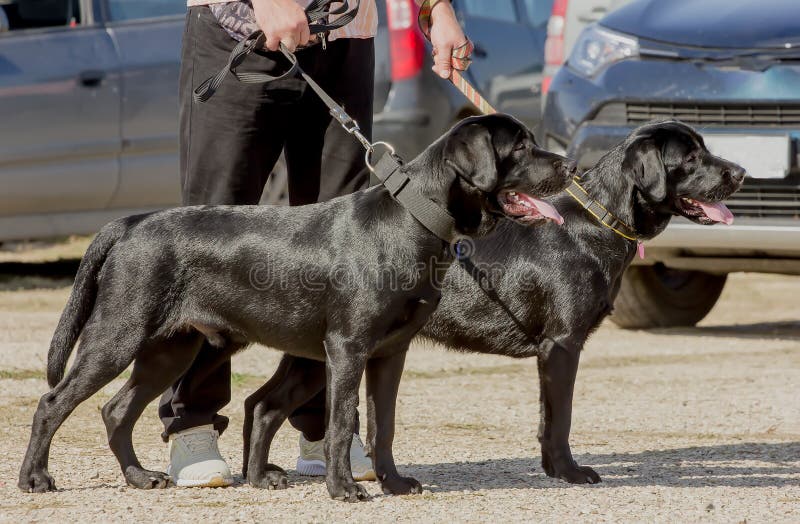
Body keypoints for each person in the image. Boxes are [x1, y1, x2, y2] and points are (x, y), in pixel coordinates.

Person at [162, 0, 469, 487]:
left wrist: (437, 9)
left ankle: (324, 429)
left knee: (345, 251)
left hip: (345, 39)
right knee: (209, 236)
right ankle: (192, 424)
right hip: (237, 31)